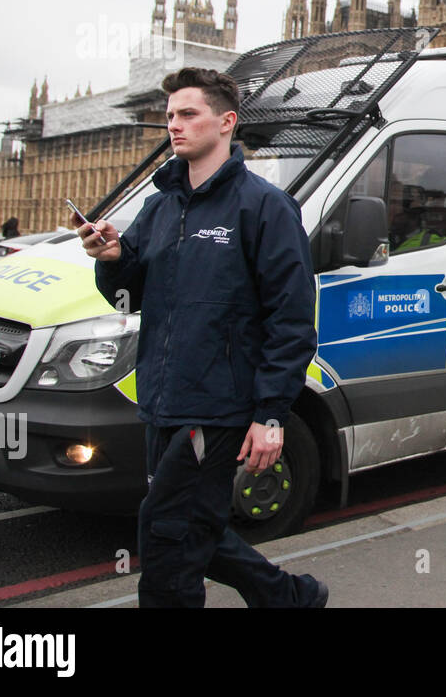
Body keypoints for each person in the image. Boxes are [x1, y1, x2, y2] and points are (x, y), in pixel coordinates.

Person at [79, 67, 326, 608]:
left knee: (167, 532)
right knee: (196, 526)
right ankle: (289, 598)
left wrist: (270, 414)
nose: (174, 125)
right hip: (162, 399)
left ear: (226, 122)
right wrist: (113, 260)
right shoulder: (160, 205)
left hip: (217, 406)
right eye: (170, 116)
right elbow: (131, 294)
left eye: (188, 114)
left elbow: (291, 319)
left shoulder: (264, 207)